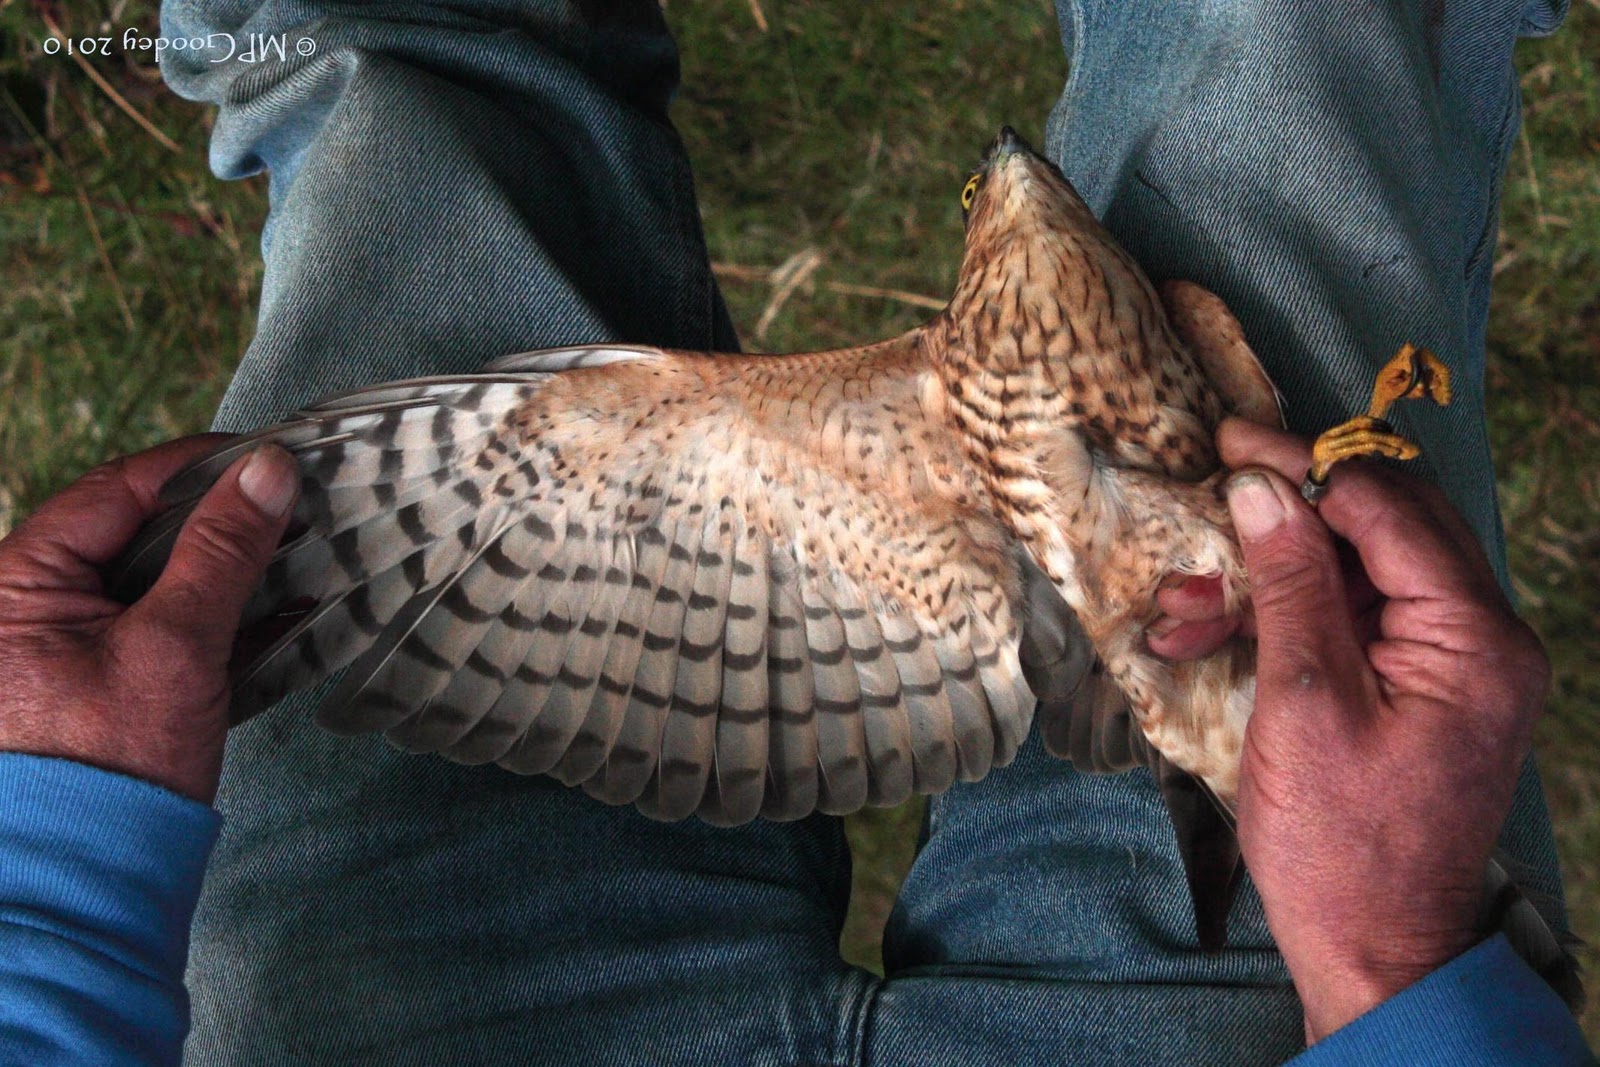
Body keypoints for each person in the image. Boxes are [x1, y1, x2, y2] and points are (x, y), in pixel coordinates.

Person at [0, 0, 1591, 1063]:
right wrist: (1398, 974)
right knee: (1302, 40)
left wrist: (55, 883)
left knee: (403, 95)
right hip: (1312, 968)